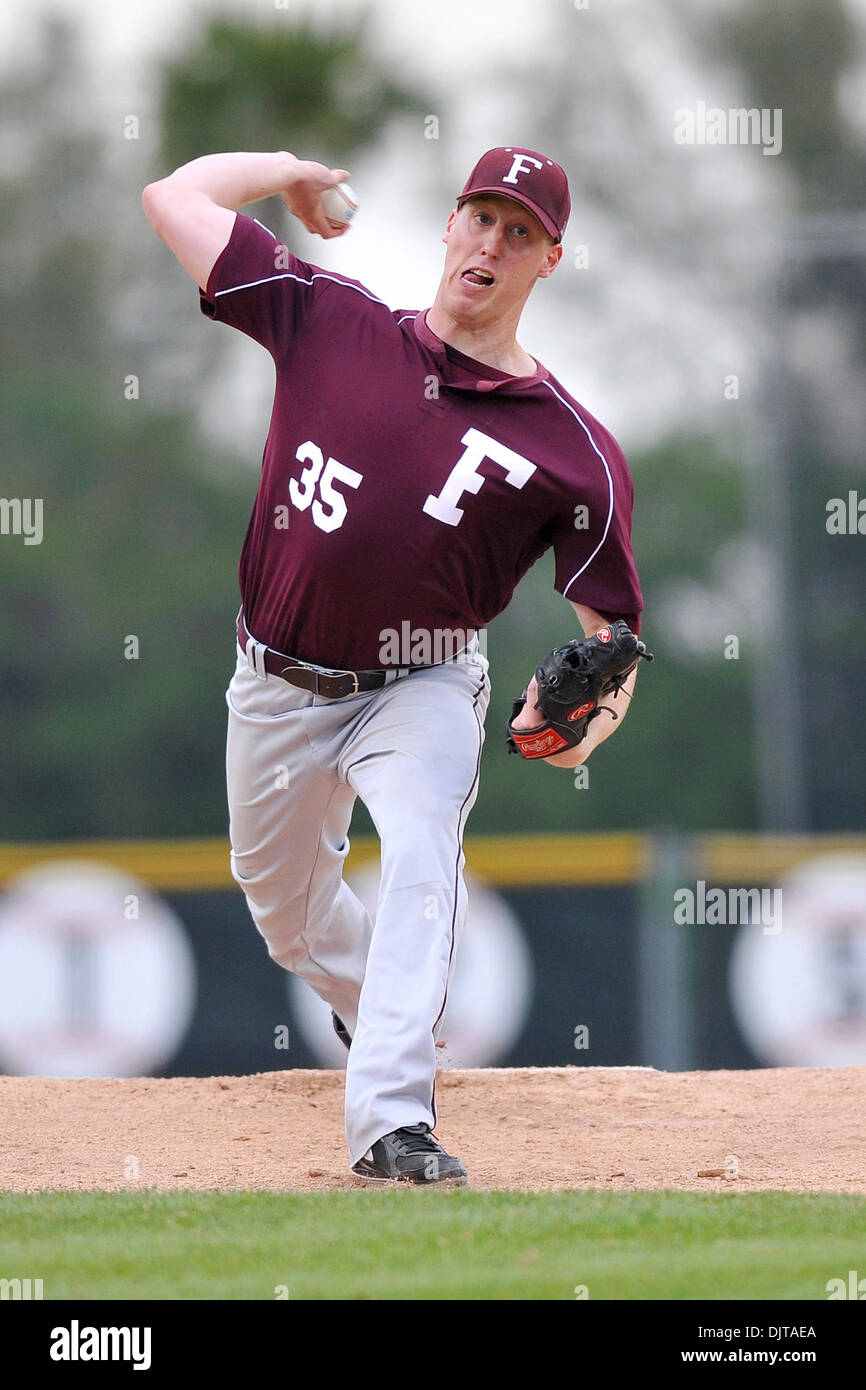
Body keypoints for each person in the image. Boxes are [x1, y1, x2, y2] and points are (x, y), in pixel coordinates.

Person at [142, 144, 644, 1186]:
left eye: (521, 232)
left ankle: (389, 1125)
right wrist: (284, 170)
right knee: (284, 913)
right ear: (449, 225)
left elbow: (613, 647)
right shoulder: (327, 316)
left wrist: (571, 733)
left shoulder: (572, 450)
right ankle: (372, 1011)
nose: (492, 244)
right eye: (481, 216)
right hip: (275, 681)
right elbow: (170, 197)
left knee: (421, 854)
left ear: (549, 259)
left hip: (420, 685)